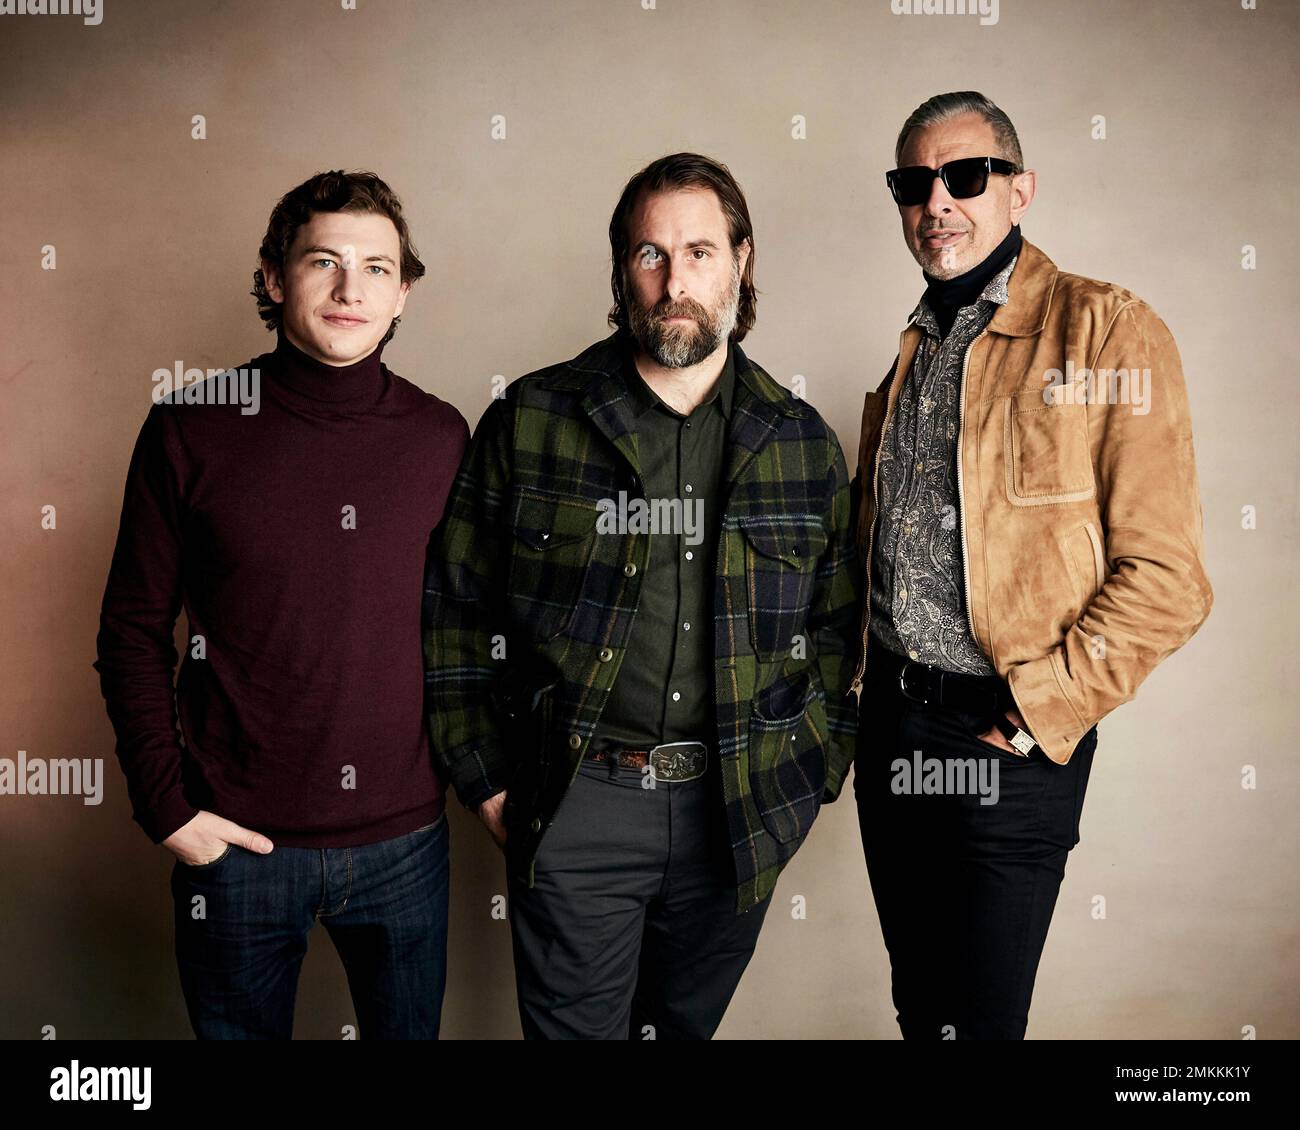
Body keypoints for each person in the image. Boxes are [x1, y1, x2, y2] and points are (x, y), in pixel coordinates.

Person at [424, 152, 860, 1039]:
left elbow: (840, 630)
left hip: (737, 807)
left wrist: (811, 773)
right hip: (579, 802)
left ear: (743, 260)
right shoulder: (534, 418)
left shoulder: (801, 443)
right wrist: (486, 780)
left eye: (699, 251)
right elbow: (457, 613)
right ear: (621, 272)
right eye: (649, 254)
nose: (674, 280)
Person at [850, 91, 1213, 1039]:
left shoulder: (1106, 331)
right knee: (922, 1010)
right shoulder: (906, 361)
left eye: (965, 176)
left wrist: (1029, 719)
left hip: (1006, 741)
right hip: (892, 729)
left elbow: (1167, 580)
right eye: (913, 183)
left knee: (977, 1022)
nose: (938, 201)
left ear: (1021, 189)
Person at [94, 170, 467, 1039]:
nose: (350, 288)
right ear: (273, 277)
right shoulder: (189, 427)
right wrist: (168, 809)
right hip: (234, 847)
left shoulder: (443, 436)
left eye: (377, 268)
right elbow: (131, 630)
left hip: (407, 844)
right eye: (323, 261)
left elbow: (472, 628)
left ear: (404, 290)